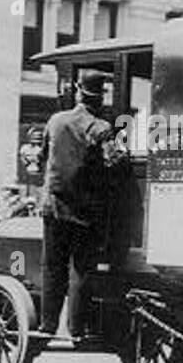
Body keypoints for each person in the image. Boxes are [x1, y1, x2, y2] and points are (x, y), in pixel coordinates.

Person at [37, 70, 125, 338]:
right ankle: (76, 328)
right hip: (84, 212)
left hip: (53, 206)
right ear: (100, 98)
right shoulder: (100, 128)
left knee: (53, 266)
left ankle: (47, 324)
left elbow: (42, 157)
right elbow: (116, 162)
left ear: (78, 91)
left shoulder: (55, 121)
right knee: (81, 269)